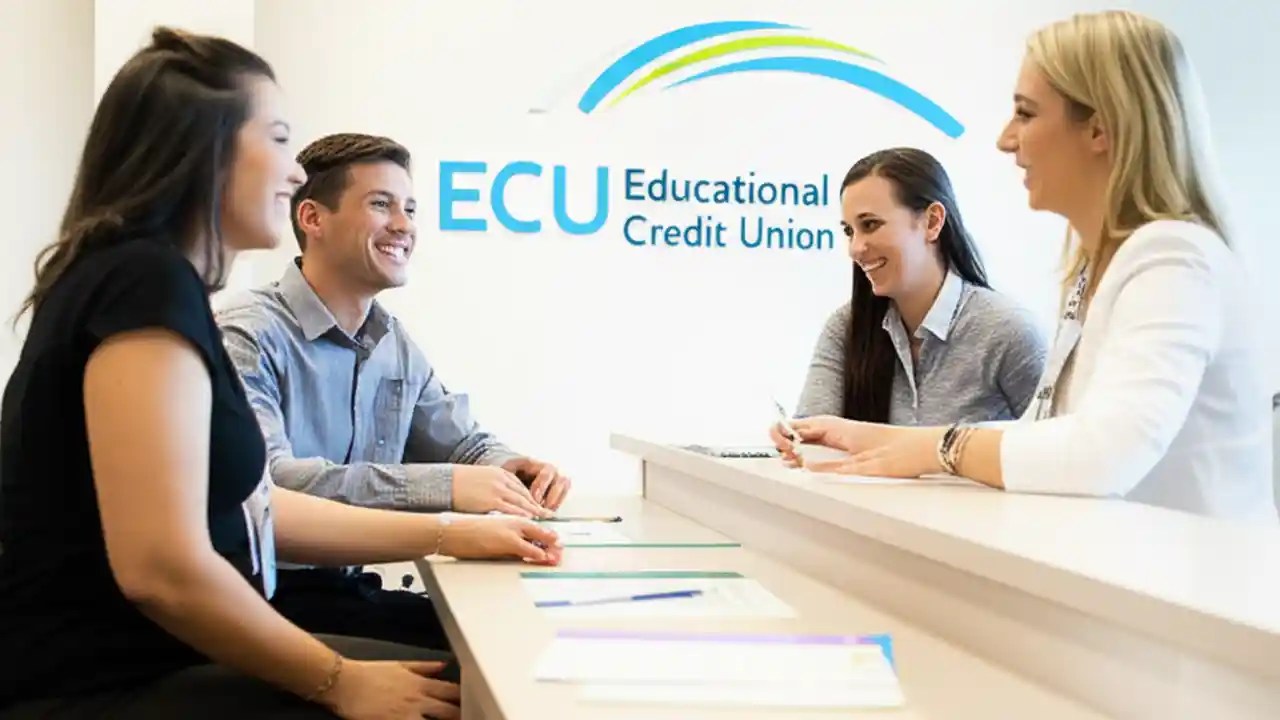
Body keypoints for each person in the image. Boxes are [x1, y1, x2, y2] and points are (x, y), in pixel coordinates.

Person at [0, 28, 561, 720]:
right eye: (277, 142)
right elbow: (161, 571)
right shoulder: (142, 286)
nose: (295, 172)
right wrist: (339, 680)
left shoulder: (144, 281)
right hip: (105, 682)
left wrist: (449, 531)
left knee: (474, 671)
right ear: (205, 152)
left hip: (150, 659)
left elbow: (259, 507)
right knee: (470, 690)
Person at [772, 10, 1279, 525]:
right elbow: (1045, 430)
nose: (1006, 139)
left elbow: (1104, 454)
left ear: (1100, 127)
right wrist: (883, 440)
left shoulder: (1173, 259)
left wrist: (938, 449)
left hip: (1194, 595)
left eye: (1026, 113)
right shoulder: (1099, 269)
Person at [215, 133, 573, 649]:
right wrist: (446, 488)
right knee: (484, 656)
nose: (404, 226)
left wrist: (510, 466)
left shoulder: (391, 341)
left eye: (409, 208)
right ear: (312, 219)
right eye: (381, 205)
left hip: (341, 588)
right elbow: (269, 486)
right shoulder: (248, 334)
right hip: (262, 598)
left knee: (514, 633)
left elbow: (462, 444)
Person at [775, 148, 1046, 448]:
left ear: (932, 222)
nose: (855, 248)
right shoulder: (846, 327)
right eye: (849, 231)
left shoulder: (1008, 331)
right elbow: (813, 443)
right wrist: (797, 438)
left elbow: (1052, 453)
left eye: (870, 225)